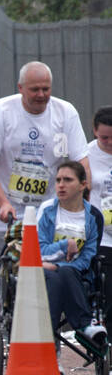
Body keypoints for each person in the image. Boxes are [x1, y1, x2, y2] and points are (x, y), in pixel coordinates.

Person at [0, 62, 90, 266]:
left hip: (49, 213)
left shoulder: (65, 112)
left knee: (50, 275)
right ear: (20, 88)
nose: (41, 94)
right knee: (8, 277)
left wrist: (80, 203)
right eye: (34, 89)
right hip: (6, 216)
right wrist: (2, 203)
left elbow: (81, 162)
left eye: (45, 89)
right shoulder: (0, 111)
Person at [38, 162, 106, 355]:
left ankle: (51, 352)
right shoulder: (46, 210)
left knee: (64, 274)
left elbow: (88, 257)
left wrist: (59, 267)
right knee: (56, 278)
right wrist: (64, 245)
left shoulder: (93, 216)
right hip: (43, 271)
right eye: (58, 180)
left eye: (67, 180)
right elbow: (39, 250)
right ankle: (85, 326)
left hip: (76, 274)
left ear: (83, 185)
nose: (61, 185)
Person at [87, 106, 112, 273]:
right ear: (95, 131)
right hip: (101, 235)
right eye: (104, 138)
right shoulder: (85, 154)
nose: (110, 142)